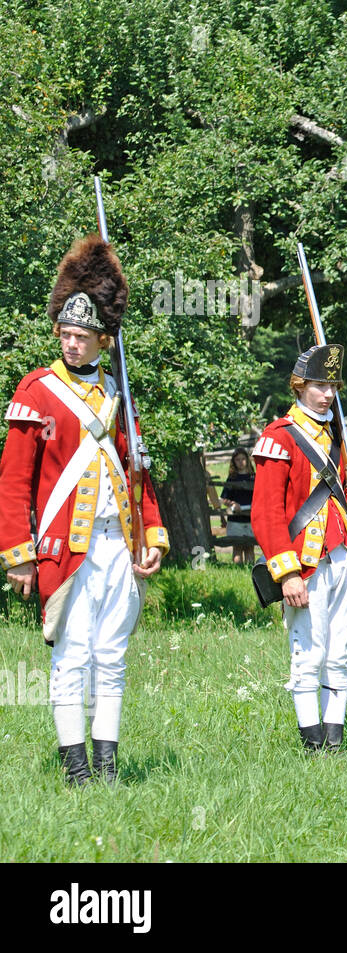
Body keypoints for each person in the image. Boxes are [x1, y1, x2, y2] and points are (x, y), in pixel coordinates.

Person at [0, 234, 168, 785]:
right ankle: (76, 770)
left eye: (82, 336)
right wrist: (17, 556)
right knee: (71, 656)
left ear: (103, 339)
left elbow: (136, 474)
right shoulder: (38, 391)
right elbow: (13, 482)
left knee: (111, 654)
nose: (71, 344)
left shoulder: (119, 394)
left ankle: (108, 766)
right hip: (63, 548)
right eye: (66, 335)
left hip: (118, 542)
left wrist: (153, 537)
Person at [251, 344, 347, 753]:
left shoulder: (341, 438)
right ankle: (311, 742)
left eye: (332, 385)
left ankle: (334, 739)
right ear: (300, 386)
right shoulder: (279, 437)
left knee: (339, 653)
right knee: (307, 653)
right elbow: (266, 513)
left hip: (345, 560)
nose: (327, 393)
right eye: (318, 385)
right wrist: (287, 571)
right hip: (305, 564)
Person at [221, 448, 256, 564]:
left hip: (251, 519)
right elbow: (224, 498)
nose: (241, 462)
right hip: (235, 519)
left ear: (247, 460)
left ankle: (250, 571)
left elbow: (261, 495)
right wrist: (232, 504)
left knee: (250, 547)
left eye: (243, 459)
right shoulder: (232, 478)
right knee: (237, 547)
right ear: (234, 462)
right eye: (237, 460)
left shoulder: (254, 477)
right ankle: (238, 569)